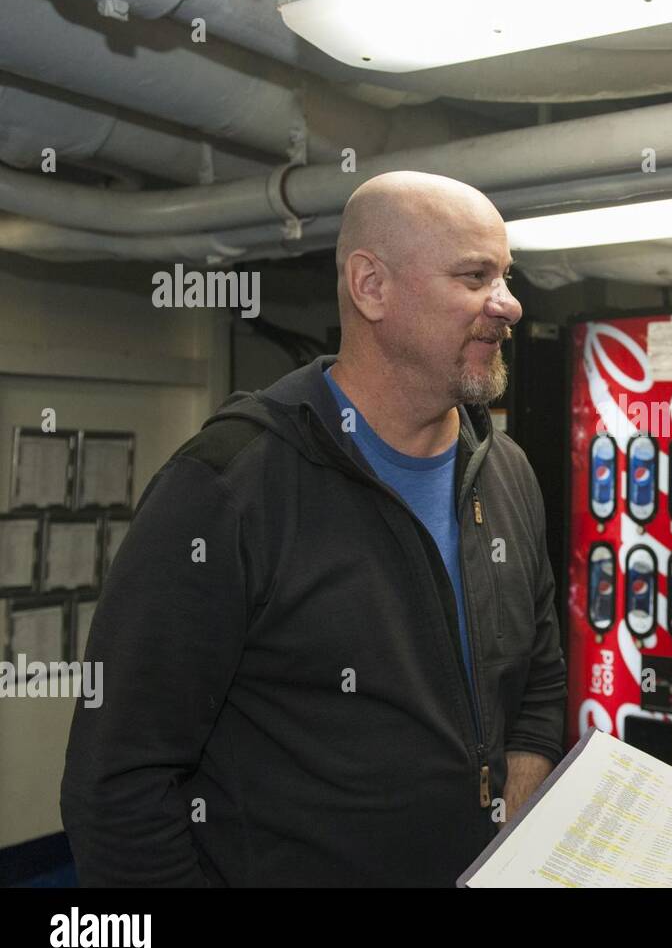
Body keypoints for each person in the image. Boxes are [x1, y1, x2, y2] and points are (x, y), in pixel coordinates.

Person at [61, 171, 566, 887]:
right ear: (372, 287)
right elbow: (116, 785)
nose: (509, 304)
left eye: (506, 275)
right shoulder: (227, 487)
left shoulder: (505, 469)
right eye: (475, 276)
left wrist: (510, 832)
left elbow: (538, 678)